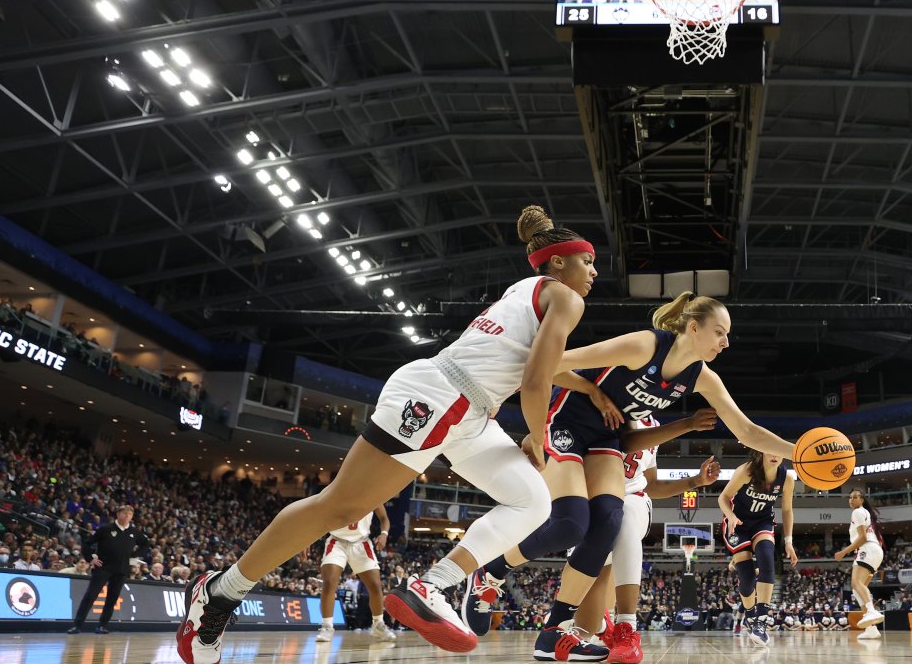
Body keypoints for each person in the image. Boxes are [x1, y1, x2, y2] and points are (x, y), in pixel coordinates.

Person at [176, 205, 599, 663]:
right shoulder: (566, 299)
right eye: (588, 261)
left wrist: (591, 390)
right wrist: (538, 437)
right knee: (340, 506)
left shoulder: (526, 289)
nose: (594, 272)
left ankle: (431, 585)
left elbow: (536, 364)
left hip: (468, 409)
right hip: (441, 397)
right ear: (559, 261)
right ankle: (220, 592)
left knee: (532, 501)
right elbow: (536, 381)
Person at [464, 292, 803, 660]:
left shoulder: (701, 377)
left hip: (607, 436)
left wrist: (799, 453)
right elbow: (551, 362)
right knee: (570, 524)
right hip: (567, 420)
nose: (726, 342)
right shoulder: (645, 345)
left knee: (610, 520)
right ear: (693, 327)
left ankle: (553, 633)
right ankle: (490, 572)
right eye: (720, 332)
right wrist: (591, 392)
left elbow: (747, 431)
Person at [568, 413, 722, 663]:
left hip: (634, 498)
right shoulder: (601, 409)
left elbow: (651, 485)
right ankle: (603, 626)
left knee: (625, 512)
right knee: (586, 626)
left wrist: (696, 481)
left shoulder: (653, 426)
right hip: (592, 506)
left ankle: (627, 627)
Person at [717, 449, 799, 646]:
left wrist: (788, 541)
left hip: (763, 522)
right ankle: (750, 614)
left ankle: (761, 622)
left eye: (778, 451)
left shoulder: (787, 478)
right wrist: (731, 516)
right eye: (770, 451)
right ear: (761, 453)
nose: (775, 455)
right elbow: (723, 498)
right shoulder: (747, 471)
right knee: (747, 579)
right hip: (738, 523)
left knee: (767, 559)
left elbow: (787, 510)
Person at [315, 505, 397, 643]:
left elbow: (384, 518)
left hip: (362, 543)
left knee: (376, 586)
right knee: (329, 582)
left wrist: (384, 534)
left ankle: (378, 624)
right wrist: (305, 541)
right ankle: (327, 627)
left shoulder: (373, 495)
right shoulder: (337, 494)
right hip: (337, 541)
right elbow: (317, 518)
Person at [69, 505, 150, 634]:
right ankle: (77, 625)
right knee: (90, 596)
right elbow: (87, 543)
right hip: (103, 568)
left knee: (112, 598)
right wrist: (91, 558)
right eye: (124, 513)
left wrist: (134, 555)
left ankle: (102, 626)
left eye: (130, 514)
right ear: (118, 514)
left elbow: (146, 545)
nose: (127, 516)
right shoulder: (105, 529)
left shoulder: (134, 532)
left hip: (121, 570)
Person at [833, 489, 886, 641]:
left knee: (856, 584)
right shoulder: (866, 514)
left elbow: (862, 538)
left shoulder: (857, 512)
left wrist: (843, 552)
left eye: (855, 497)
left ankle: (871, 611)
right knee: (858, 590)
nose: (851, 499)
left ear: (862, 499)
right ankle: (871, 628)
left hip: (867, 549)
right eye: (850, 497)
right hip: (875, 552)